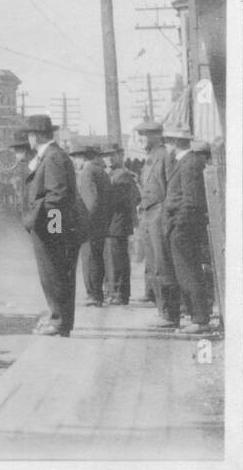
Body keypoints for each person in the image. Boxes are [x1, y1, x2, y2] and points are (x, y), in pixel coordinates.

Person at [21, 114, 80, 337]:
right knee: (53, 274)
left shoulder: (53, 157)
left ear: (35, 136)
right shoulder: (51, 155)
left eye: (29, 135)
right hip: (49, 224)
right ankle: (58, 318)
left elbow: (57, 196)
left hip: (51, 225)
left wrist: (53, 230)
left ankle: (59, 321)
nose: (28, 139)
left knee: (54, 274)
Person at [164, 135, 214, 334]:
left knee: (190, 272)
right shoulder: (185, 161)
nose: (166, 146)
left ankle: (200, 319)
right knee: (185, 273)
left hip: (184, 227)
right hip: (181, 226)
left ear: (175, 143)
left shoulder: (189, 163)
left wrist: (178, 227)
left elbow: (191, 201)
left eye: (167, 142)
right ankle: (196, 317)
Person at [137, 121, 181, 328]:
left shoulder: (165, 155)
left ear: (157, 136)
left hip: (159, 213)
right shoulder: (149, 159)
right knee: (154, 265)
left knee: (163, 265)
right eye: (139, 134)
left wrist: (165, 214)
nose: (140, 138)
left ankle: (171, 314)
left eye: (144, 134)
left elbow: (171, 188)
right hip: (147, 214)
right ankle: (163, 311)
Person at [101, 144, 140, 305]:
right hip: (112, 224)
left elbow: (122, 199)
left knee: (117, 260)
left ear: (120, 155)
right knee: (111, 260)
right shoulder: (111, 173)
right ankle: (113, 292)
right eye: (106, 155)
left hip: (117, 224)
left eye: (112, 154)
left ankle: (119, 293)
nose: (109, 158)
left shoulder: (122, 175)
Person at [72, 146, 112, 307]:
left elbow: (91, 201)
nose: (75, 161)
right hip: (101, 223)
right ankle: (98, 294)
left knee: (89, 259)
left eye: (76, 157)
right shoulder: (100, 171)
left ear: (84, 158)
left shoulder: (87, 172)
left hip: (90, 224)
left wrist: (85, 223)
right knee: (97, 258)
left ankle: (93, 295)